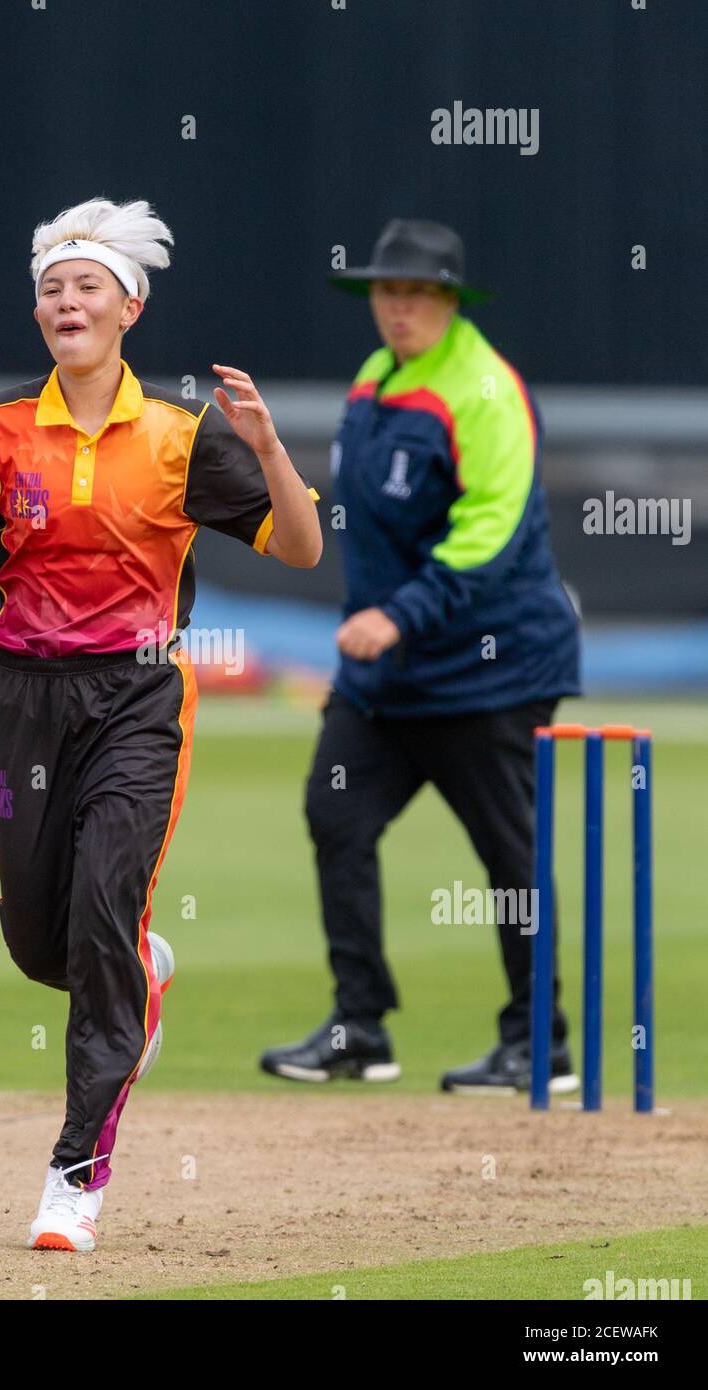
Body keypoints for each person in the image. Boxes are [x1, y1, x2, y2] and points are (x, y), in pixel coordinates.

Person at [0, 197, 322, 1252]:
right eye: (51, 286)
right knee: (39, 941)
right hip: (19, 700)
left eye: (86, 284)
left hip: (139, 700)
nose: (65, 300)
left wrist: (271, 449)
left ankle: (73, 1179)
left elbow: (298, 549)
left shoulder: (182, 435)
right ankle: (138, 975)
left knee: (102, 908)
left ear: (129, 306)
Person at [258, 219, 581, 1096]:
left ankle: (537, 1042)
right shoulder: (373, 380)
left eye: (417, 293)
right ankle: (359, 1026)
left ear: (448, 299)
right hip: (385, 672)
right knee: (336, 819)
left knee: (507, 856)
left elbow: (493, 531)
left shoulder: (484, 389)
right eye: (386, 290)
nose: (398, 306)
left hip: (492, 666)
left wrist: (400, 614)